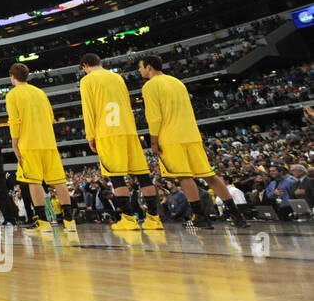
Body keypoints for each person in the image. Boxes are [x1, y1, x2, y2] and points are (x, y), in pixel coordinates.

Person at [138, 55, 245, 228]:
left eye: (140, 67)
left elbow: (154, 117)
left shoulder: (149, 86)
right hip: (191, 134)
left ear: (149, 67)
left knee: (184, 176)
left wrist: (154, 141)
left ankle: (200, 217)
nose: (139, 70)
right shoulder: (176, 82)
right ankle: (237, 215)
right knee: (210, 175)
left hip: (171, 136)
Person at [79, 54, 161, 232]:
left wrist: (90, 136)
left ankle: (128, 219)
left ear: (85, 65)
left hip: (107, 131)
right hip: (128, 129)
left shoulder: (87, 81)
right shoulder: (117, 77)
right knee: (143, 175)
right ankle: (154, 219)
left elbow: (88, 109)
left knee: (116, 177)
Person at [6, 63, 77, 233]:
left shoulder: (12, 94)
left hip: (28, 143)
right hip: (48, 142)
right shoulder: (40, 92)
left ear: (12, 76)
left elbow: (15, 121)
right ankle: (70, 222)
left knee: (33, 182)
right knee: (59, 181)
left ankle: (44, 223)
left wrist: (15, 143)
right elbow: (51, 116)